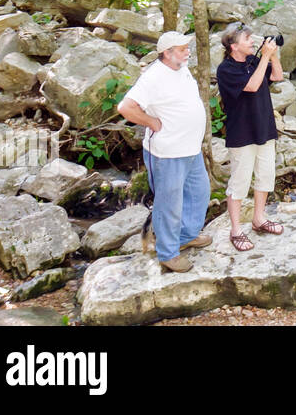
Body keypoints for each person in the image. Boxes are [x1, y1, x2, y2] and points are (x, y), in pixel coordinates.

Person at [116, 30, 211, 273]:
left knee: (199, 194)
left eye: (187, 47)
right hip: (168, 152)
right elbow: (126, 107)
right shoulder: (154, 77)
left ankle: (185, 236)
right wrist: (151, 122)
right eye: (182, 48)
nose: (187, 51)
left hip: (190, 149)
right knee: (169, 203)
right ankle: (168, 253)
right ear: (167, 53)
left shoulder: (181, 68)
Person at [215, 23, 285, 251]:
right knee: (240, 180)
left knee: (265, 174)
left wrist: (272, 56)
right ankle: (236, 230)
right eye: (247, 39)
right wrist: (264, 57)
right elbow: (253, 86)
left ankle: (259, 218)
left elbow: (278, 76)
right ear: (234, 46)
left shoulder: (254, 61)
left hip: (264, 126)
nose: (252, 41)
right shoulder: (226, 70)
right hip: (242, 132)